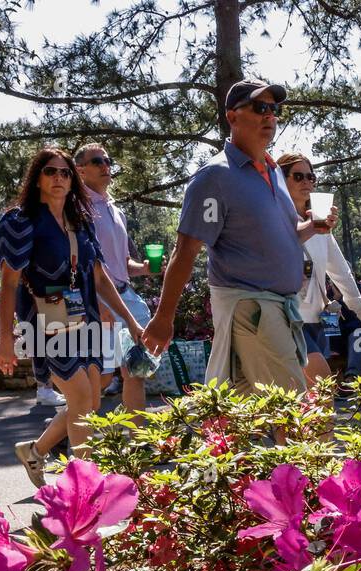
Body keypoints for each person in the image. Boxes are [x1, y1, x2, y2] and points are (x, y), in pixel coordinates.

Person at [141, 80, 334, 408]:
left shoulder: (272, 173)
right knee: (293, 411)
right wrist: (163, 317)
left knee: (235, 416)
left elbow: (283, 238)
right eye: (260, 108)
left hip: (274, 308)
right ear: (232, 116)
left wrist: (311, 228)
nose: (269, 116)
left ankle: (195, 453)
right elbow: (186, 250)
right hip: (254, 307)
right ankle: (301, 462)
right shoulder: (215, 177)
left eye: (274, 110)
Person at [0, 147, 147, 487]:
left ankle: (36, 451)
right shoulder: (20, 222)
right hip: (46, 324)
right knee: (79, 398)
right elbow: (9, 283)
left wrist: (130, 322)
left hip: (86, 320)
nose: (58, 178)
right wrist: (6, 338)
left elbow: (100, 277)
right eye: (50, 172)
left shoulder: (81, 220)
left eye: (64, 173)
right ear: (37, 179)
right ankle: (85, 485)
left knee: (90, 401)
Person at [276, 152, 361, 391]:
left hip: (317, 321)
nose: (307, 182)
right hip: (286, 318)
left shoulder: (322, 226)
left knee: (303, 399)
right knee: (322, 390)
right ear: (281, 180)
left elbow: (342, 273)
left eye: (311, 177)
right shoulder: (275, 220)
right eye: (298, 176)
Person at [74, 142, 156, 419]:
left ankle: (139, 441)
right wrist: (96, 306)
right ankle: (64, 433)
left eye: (108, 160)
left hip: (127, 299)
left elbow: (122, 265)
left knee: (136, 370)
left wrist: (144, 268)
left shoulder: (115, 209)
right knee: (101, 380)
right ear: (80, 170)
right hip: (98, 302)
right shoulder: (77, 209)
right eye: (97, 161)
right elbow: (76, 265)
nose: (105, 166)